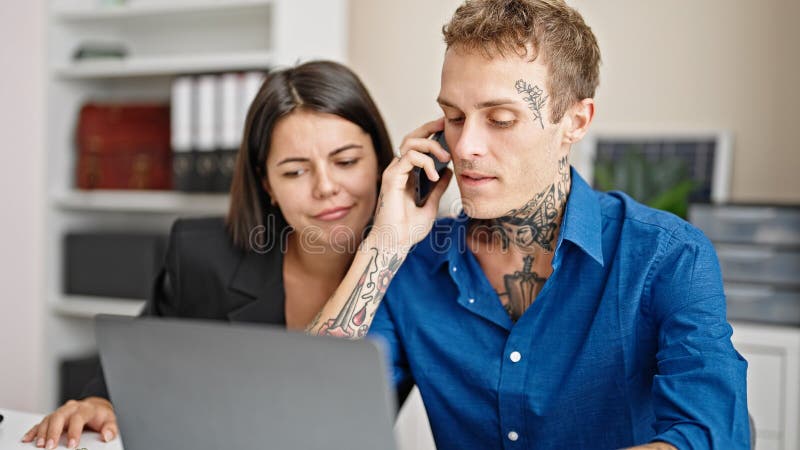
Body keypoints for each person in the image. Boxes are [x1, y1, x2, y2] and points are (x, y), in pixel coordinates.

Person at [310, 0, 751, 449]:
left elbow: (711, 433)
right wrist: (385, 242)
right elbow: (308, 421)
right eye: (455, 118)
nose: (465, 147)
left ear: (575, 122)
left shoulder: (667, 256)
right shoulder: (412, 269)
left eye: (501, 120)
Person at [21, 60, 441, 450]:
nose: (326, 187)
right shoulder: (202, 254)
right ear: (267, 185)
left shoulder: (421, 270)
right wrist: (99, 402)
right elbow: (134, 369)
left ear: (382, 162)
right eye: (295, 171)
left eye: (346, 161)